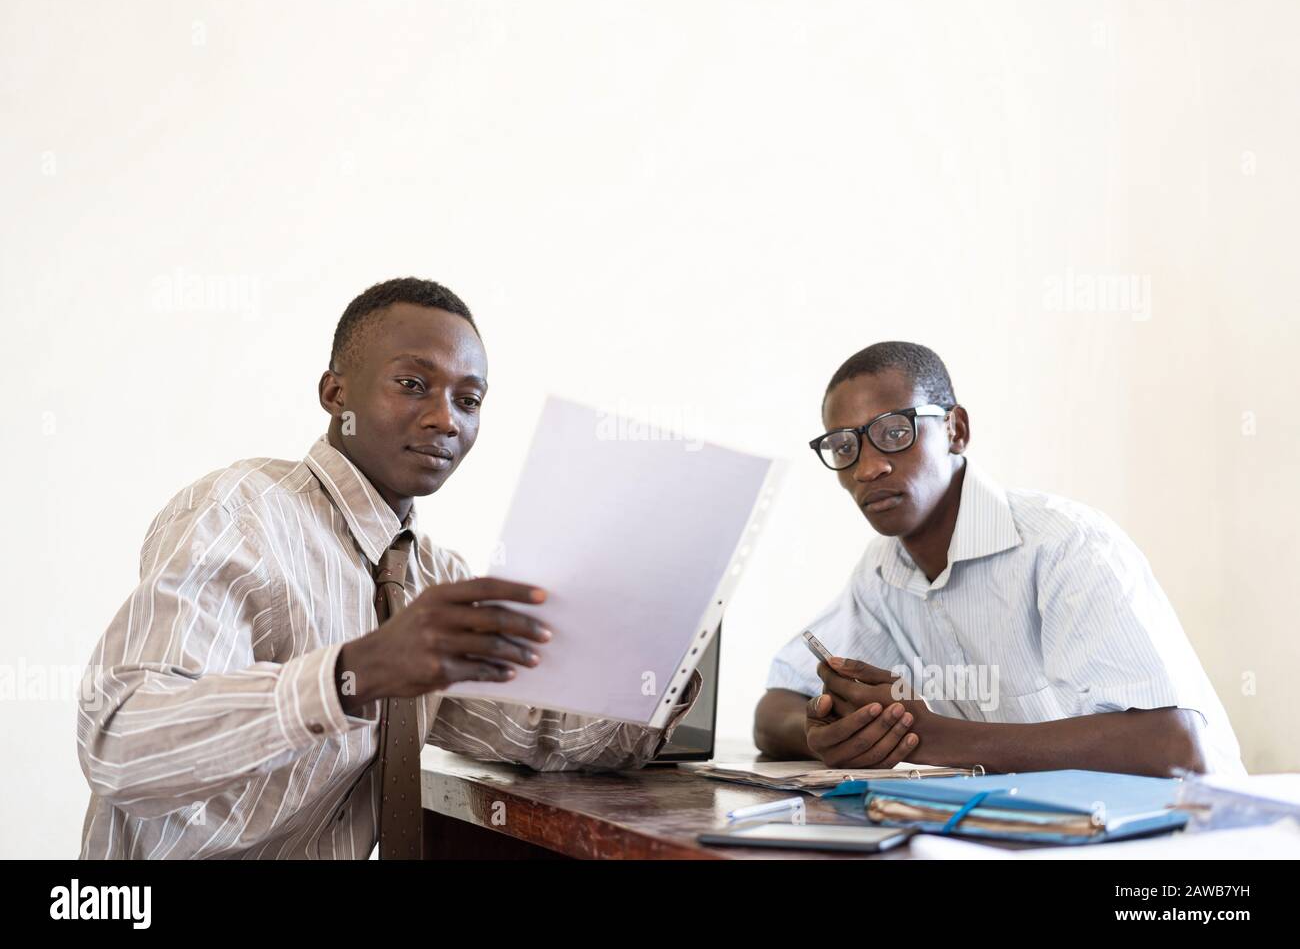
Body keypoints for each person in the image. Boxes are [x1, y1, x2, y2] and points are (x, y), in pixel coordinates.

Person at [78, 277, 698, 859]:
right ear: (334, 392)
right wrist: (358, 671)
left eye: (469, 399)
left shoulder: (433, 580)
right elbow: (121, 743)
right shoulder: (239, 512)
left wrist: (672, 646)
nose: (446, 418)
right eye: (412, 384)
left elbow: (540, 735)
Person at [754, 341, 1243, 777]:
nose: (868, 466)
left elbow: (1173, 745)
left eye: (894, 431)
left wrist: (925, 736)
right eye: (844, 446)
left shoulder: (1064, 545)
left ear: (956, 430)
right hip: (1020, 835)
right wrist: (838, 735)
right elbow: (774, 708)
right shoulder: (882, 573)